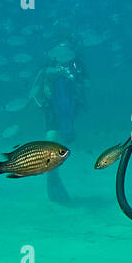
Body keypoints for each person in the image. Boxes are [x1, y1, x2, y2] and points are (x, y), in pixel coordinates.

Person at [30, 42, 86, 205]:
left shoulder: (76, 64)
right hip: (52, 108)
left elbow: (84, 83)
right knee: (52, 138)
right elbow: (35, 86)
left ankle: (58, 174)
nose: (63, 56)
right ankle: (52, 174)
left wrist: (73, 77)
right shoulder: (48, 66)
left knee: (66, 139)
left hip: (70, 108)